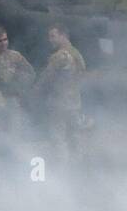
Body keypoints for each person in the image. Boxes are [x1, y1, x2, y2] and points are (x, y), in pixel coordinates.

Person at [34, 22, 87, 161]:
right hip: (74, 102)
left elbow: (46, 78)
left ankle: (61, 171)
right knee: (75, 137)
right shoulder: (77, 54)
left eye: (53, 36)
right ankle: (78, 167)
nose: (50, 39)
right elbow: (81, 76)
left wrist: (34, 92)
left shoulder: (59, 56)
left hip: (58, 103)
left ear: (63, 36)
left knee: (58, 139)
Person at [0, 25, 35, 104]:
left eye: (5, 40)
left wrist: (18, 85)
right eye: (0, 41)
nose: (3, 43)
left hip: (13, 100)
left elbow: (30, 73)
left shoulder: (15, 56)